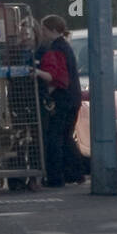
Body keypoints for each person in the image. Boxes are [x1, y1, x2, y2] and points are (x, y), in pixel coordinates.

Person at [35, 14, 85, 186]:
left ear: (53, 30)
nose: (42, 33)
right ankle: (75, 173)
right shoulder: (66, 47)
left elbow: (56, 77)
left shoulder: (55, 49)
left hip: (62, 98)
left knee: (55, 137)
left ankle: (56, 177)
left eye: (44, 29)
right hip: (73, 97)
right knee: (66, 136)